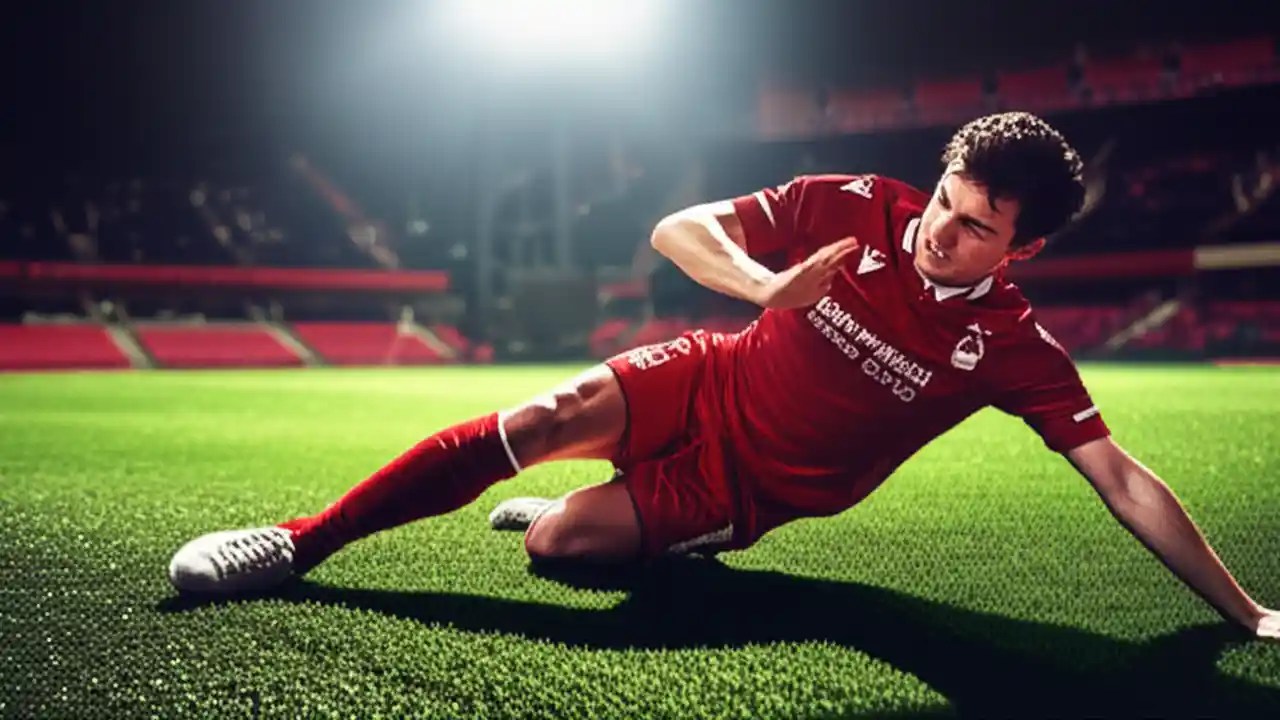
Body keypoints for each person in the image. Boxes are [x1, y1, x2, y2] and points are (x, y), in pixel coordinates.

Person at [168, 112, 1278, 641]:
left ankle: (576, 514)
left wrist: (1248, 612)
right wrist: (762, 287)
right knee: (541, 415)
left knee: (559, 549)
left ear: (1020, 249)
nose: (938, 231)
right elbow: (677, 229)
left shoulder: (1017, 350)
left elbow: (1121, 481)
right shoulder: (856, 205)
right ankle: (299, 542)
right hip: (707, 376)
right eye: (944, 198)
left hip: (747, 486)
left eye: (974, 227)